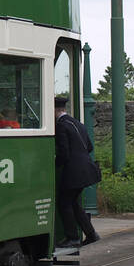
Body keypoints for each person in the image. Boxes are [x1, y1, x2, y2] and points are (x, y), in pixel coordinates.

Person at [54, 96, 99, 252]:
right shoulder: (77, 123)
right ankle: (91, 234)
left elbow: (64, 154)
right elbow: (89, 147)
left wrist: (54, 164)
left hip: (74, 172)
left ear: (55, 110)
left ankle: (72, 238)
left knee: (64, 203)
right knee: (74, 203)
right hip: (86, 169)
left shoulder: (61, 126)